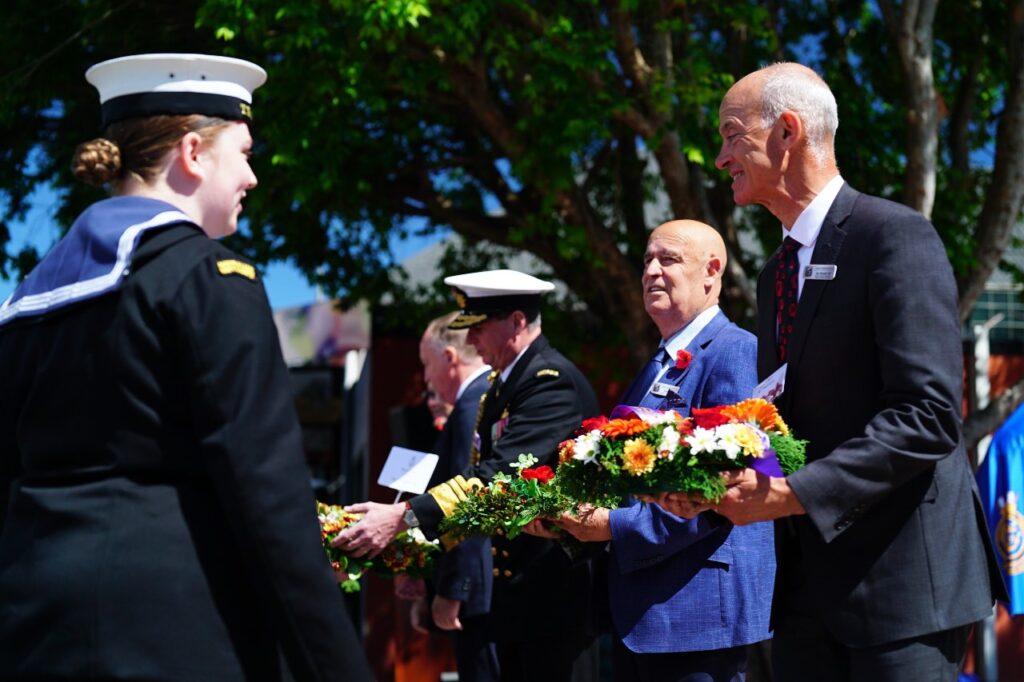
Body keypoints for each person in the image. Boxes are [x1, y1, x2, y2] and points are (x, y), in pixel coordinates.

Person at [0, 53, 372, 681]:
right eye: (245, 152)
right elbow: (268, 499)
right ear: (194, 153)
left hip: (34, 622)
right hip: (177, 629)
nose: (253, 176)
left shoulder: (30, 298)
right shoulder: (210, 280)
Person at [657, 61, 1007, 681]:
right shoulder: (774, 277)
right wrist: (714, 493)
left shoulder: (894, 236)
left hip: (902, 595)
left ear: (787, 132)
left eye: (732, 135)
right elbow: (780, 424)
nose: (719, 158)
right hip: (806, 602)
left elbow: (927, 417)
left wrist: (794, 494)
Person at [528, 220, 773, 682]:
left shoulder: (735, 352)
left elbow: (723, 490)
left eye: (669, 259)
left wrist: (611, 527)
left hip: (696, 612)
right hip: (642, 609)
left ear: (712, 271)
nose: (651, 271)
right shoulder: (655, 366)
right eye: (646, 261)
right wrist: (567, 518)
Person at [336, 269, 601, 682]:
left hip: (551, 601)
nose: (472, 340)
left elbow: (495, 476)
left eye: (479, 326)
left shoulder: (549, 383)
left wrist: (401, 517)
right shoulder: (505, 385)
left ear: (516, 322)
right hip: (518, 602)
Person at [416, 311, 499, 681]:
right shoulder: (482, 397)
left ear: (449, 358)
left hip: (480, 594)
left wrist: (454, 588)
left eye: (426, 364)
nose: (426, 378)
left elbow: (471, 496)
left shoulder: (474, 403)